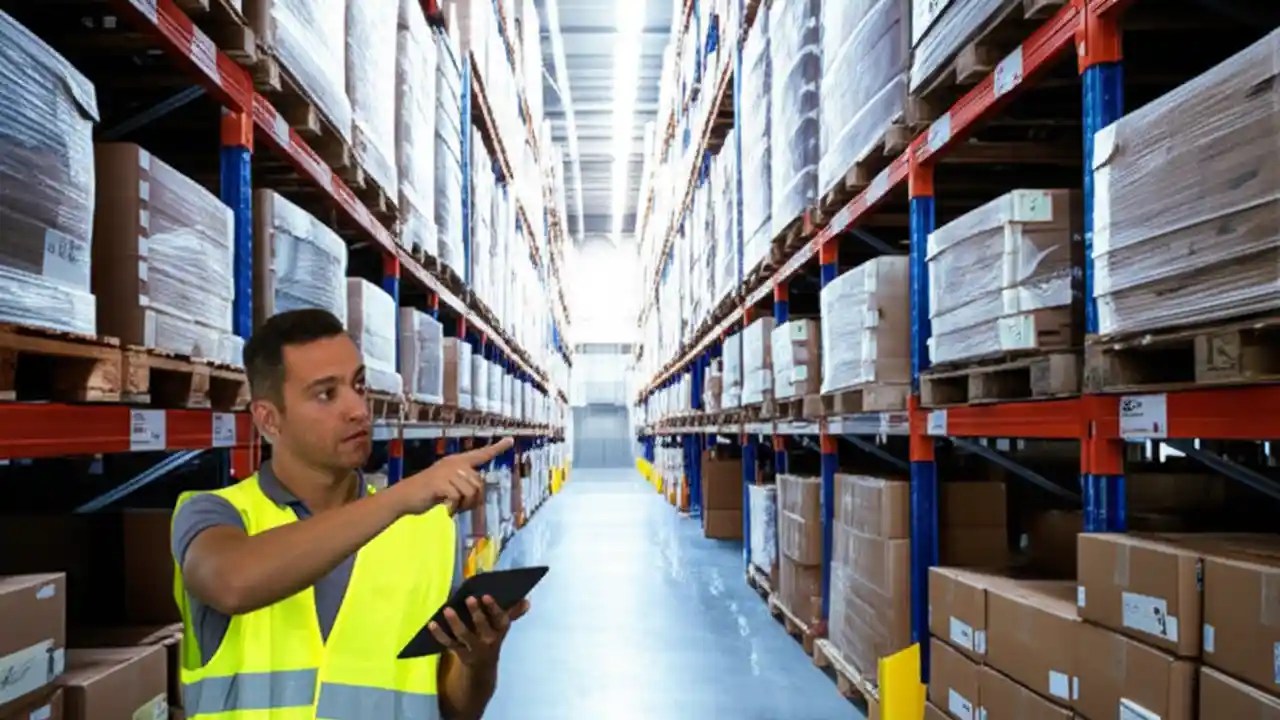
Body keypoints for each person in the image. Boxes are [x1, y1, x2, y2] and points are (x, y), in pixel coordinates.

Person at [170, 308, 528, 719]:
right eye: (327, 394)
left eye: (359, 385)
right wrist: (400, 496)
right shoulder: (214, 514)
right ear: (269, 420)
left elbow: (452, 711)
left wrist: (479, 659)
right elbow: (232, 583)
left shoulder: (426, 531)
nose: (358, 409)